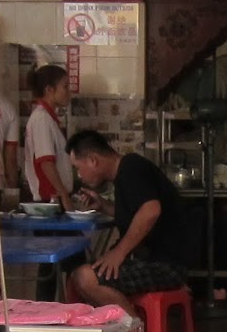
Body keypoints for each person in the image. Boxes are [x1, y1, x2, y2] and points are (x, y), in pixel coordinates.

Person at [64, 131, 192, 314]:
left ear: (93, 160)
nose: (80, 175)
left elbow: (150, 211)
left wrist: (119, 253)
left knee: (86, 277)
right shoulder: (124, 172)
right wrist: (103, 205)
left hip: (164, 263)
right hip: (150, 258)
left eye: (78, 167)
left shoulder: (131, 168)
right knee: (77, 277)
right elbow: (135, 215)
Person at [22, 63, 73, 208]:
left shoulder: (48, 118)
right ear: (49, 90)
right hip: (49, 200)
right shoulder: (41, 119)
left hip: (55, 197)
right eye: (65, 87)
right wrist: (63, 194)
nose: (69, 92)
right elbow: (46, 162)